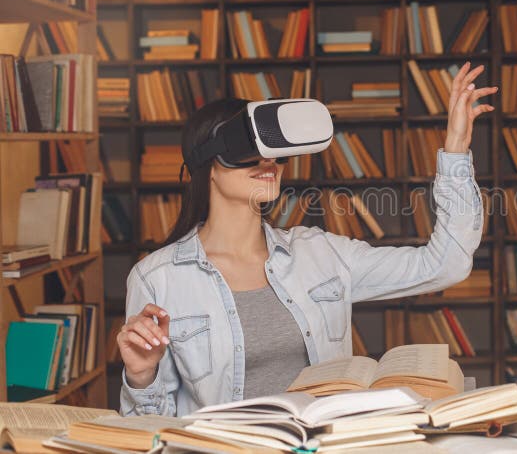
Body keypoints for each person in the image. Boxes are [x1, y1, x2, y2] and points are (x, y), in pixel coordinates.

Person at [118, 62, 497, 417]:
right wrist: (141, 377)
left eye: (275, 152)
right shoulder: (157, 279)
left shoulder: (321, 255)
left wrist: (457, 150)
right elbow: (149, 432)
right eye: (249, 151)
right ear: (208, 167)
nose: (269, 163)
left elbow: (445, 264)